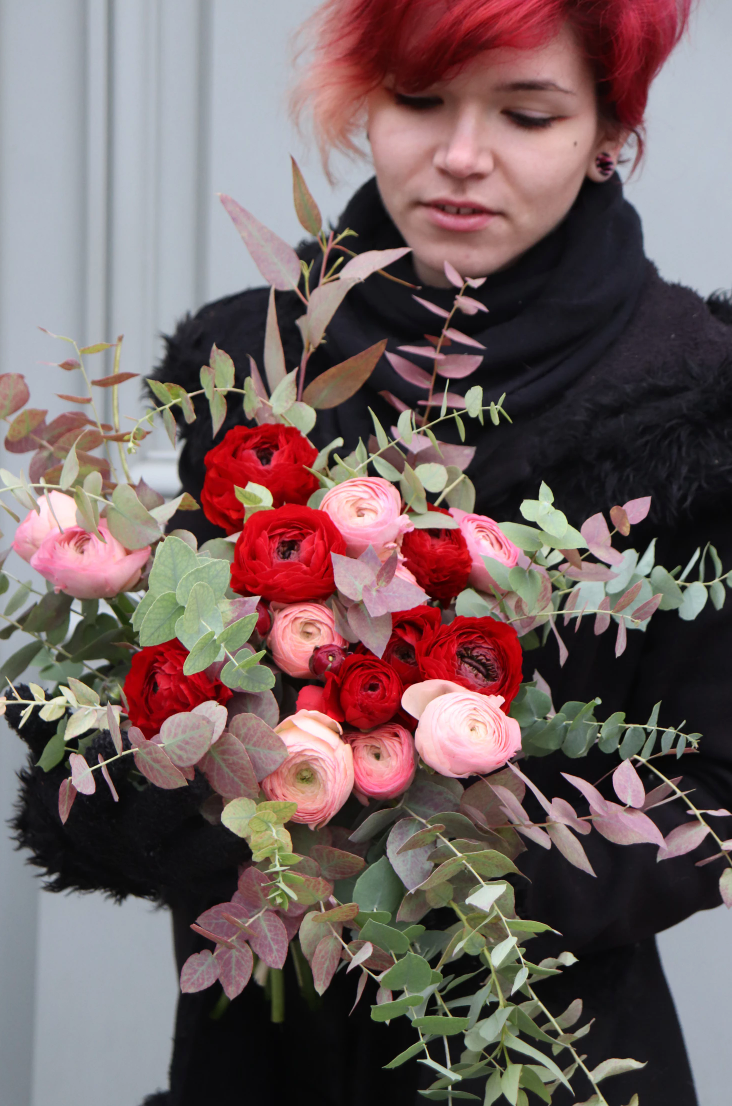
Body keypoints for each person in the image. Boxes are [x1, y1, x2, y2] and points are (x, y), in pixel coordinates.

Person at [11, 1, 732, 1103]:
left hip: (540, 1049)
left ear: (608, 133)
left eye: (527, 114)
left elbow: (715, 790)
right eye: (420, 100)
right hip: (258, 1047)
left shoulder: (692, 398)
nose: (461, 156)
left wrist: (451, 873)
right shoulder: (248, 359)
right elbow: (153, 678)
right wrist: (188, 800)